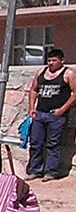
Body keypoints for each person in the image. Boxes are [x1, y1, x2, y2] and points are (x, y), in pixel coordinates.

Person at [26, 47, 76, 181]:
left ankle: (50, 172)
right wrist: (32, 108)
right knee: (36, 143)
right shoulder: (41, 72)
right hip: (40, 113)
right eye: (49, 60)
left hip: (56, 115)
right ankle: (35, 170)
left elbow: (74, 93)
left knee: (53, 144)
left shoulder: (68, 74)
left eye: (54, 60)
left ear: (62, 61)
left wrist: (62, 109)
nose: (51, 63)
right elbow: (33, 90)